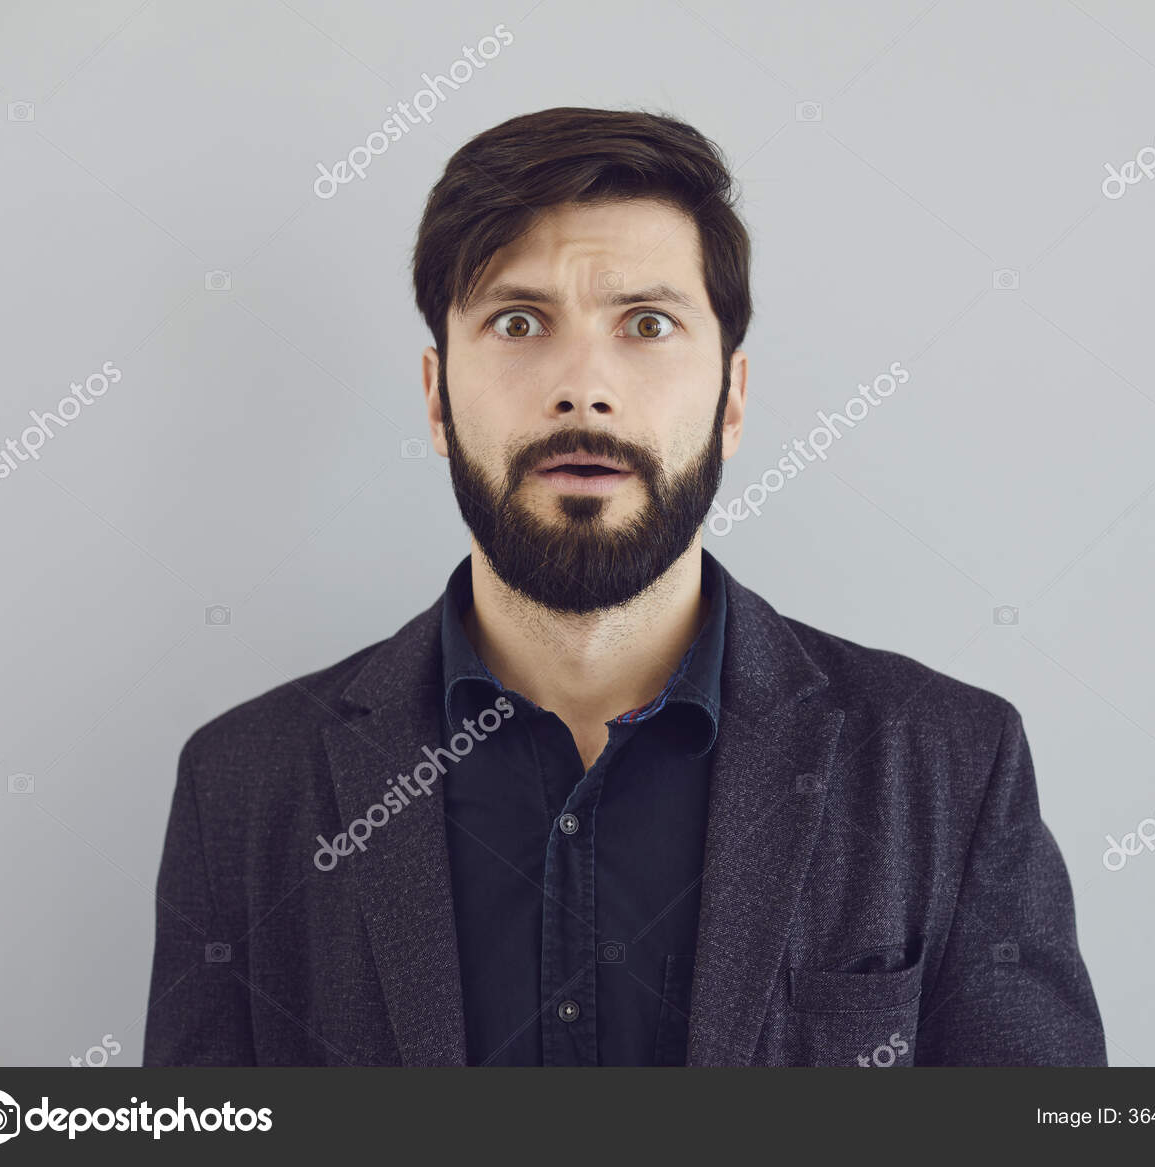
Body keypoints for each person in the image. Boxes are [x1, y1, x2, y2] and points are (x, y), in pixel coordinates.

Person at [143, 106, 1105, 1067]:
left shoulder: (949, 766)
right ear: (437, 398)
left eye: (647, 323)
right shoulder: (243, 788)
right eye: (518, 322)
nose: (583, 388)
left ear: (731, 399)